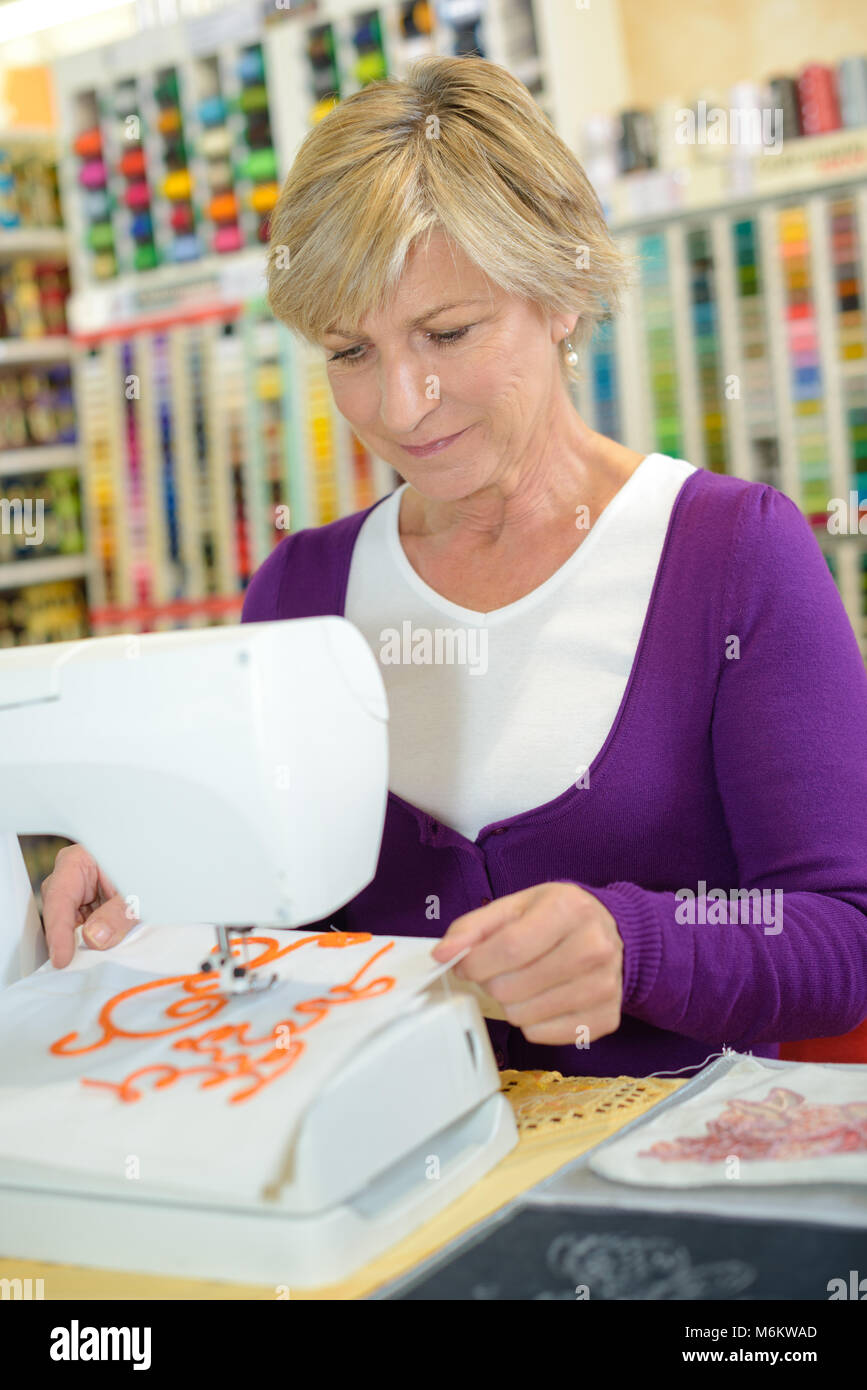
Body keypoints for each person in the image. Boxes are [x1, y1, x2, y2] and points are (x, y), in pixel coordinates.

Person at [41, 55, 867, 1077]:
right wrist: (155, 872)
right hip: (370, 1204)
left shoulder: (732, 555)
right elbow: (253, 918)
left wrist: (638, 946)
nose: (400, 404)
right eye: (350, 351)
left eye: (446, 331)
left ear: (561, 291)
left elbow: (843, 930)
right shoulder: (298, 593)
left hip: (667, 1205)